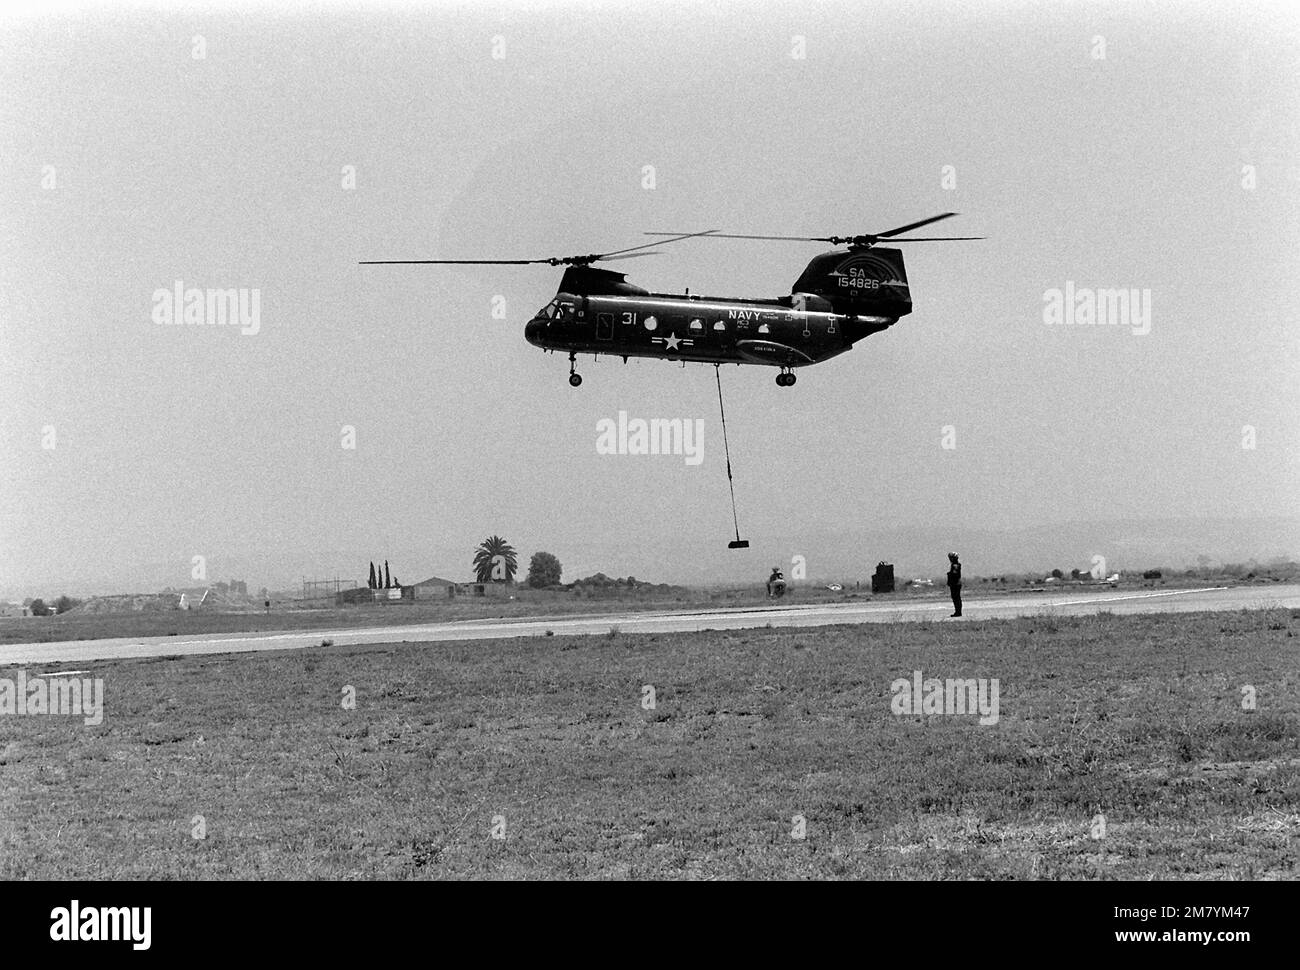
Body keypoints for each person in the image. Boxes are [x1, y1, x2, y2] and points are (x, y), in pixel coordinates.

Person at [946, 552, 962, 617]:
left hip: (955, 584)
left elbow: (955, 575)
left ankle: (958, 612)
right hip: (955, 583)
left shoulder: (955, 565)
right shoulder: (955, 565)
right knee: (956, 598)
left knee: (956, 598)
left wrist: (950, 575)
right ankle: (958, 611)